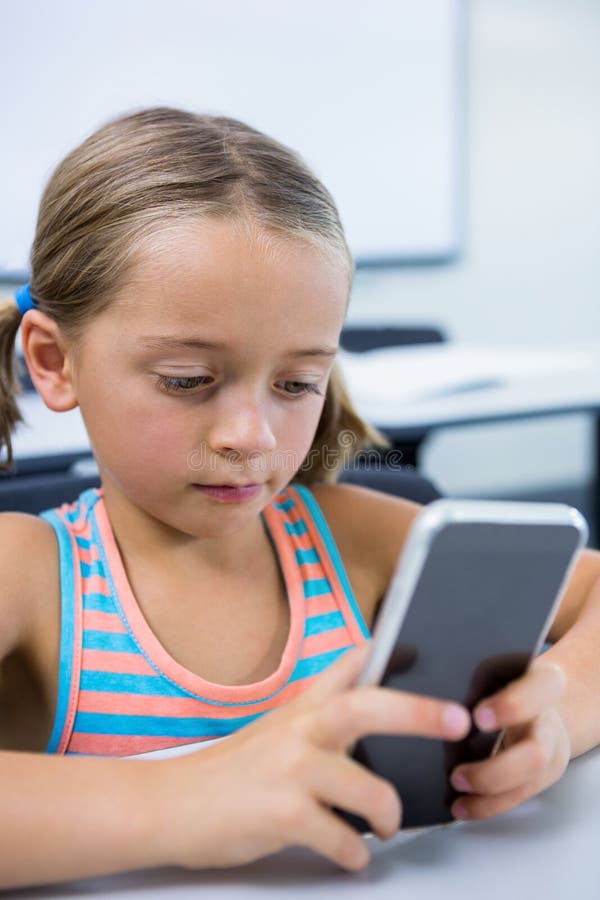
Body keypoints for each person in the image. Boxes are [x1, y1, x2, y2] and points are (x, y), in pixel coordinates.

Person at [0, 107, 599, 891]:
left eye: (295, 384)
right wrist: (190, 798)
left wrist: (555, 717)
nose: (251, 436)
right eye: (188, 379)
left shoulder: (348, 538)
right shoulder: (30, 575)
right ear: (54, 362)